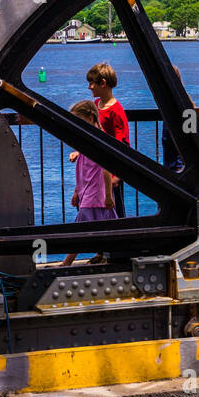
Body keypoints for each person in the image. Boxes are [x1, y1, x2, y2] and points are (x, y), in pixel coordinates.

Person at [60, 100, 116, 266]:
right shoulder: (88, 139)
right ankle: (109, 255)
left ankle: (67, 262)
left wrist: (108, 195)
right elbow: (84, 170)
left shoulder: (98, 139)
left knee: (81, 229)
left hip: (96, 193)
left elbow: (106, 168)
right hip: (89, 192)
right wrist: (77, 191)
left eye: (80, 120)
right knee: (107, 229)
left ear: (91, 118)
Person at [70, 63, 129, 217]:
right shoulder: (96, 106)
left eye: (92, 83)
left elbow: (122, 146)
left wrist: (117, 177)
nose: (90, 87)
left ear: (103, 83)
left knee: (114, 212)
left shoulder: (116, 111)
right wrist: (79, 151)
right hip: (93, 174)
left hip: (110, 174)